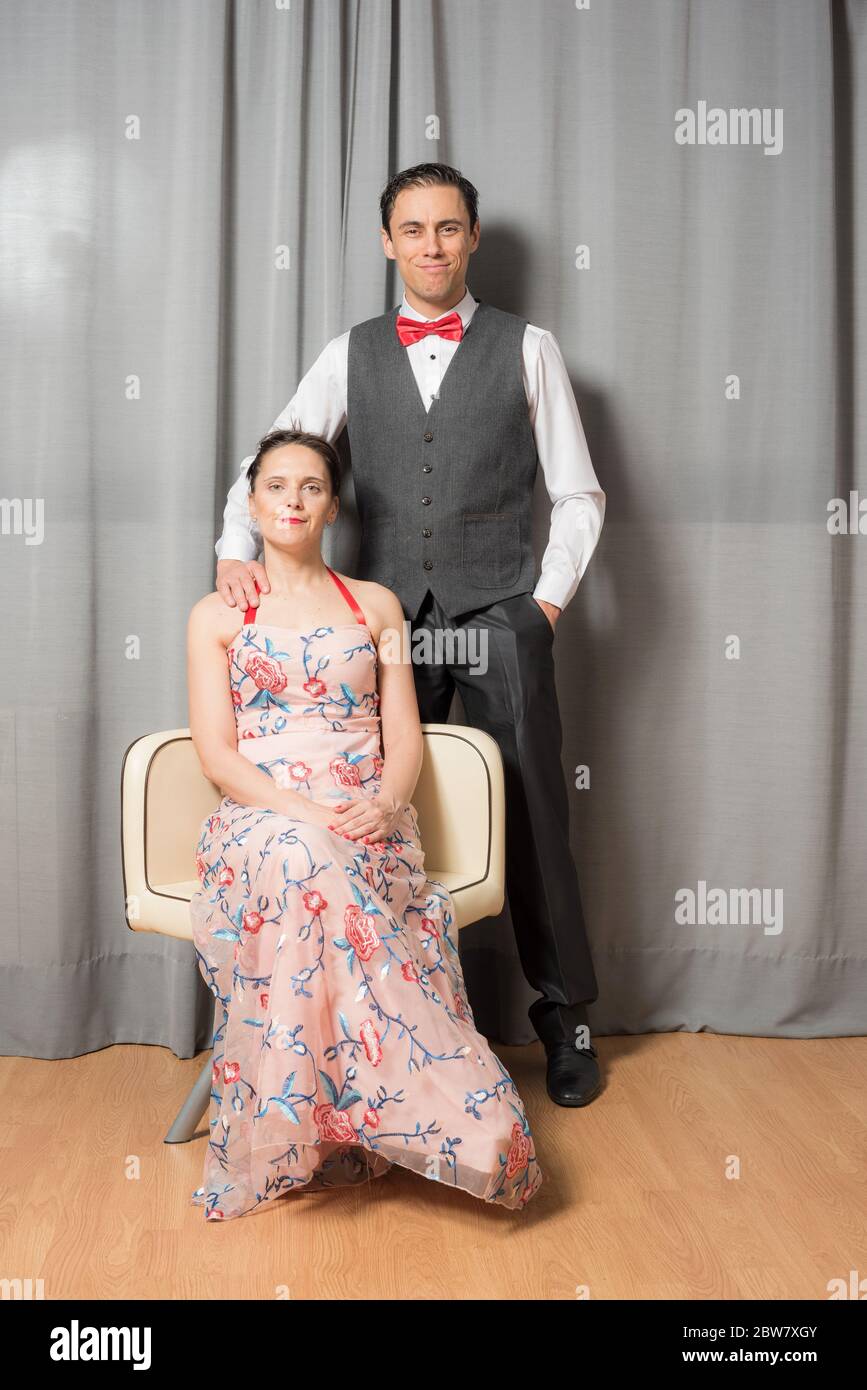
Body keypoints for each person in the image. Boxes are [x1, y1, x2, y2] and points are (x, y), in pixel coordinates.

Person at [215, 163, 606, 1107]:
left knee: (528, 809)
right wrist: (236, 548)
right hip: (380, 626)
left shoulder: (529, 347)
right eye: (412, 229)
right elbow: (273, 461)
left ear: (469, 239)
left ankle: (566, 1020)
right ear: (388, 242)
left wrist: (539, 609)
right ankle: (414, 1025)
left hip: (498, 616)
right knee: (389, 812)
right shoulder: (348, 352)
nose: (430, 245)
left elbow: (578, 492)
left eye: (448, 228)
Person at [187, 430, 543, 1220]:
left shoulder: (374, 605)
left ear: (331, 505)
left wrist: (383, 804)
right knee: (302, 854)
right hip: (260, 818)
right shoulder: (216, 614)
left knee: (322, 862)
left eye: (310, 486)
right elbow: (217, 755)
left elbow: (404, 735)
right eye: (275, 486)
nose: (292, 500)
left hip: (365, 814)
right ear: (251, 504)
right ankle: (446, 1114)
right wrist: (308, 813)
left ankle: (337, 1122)